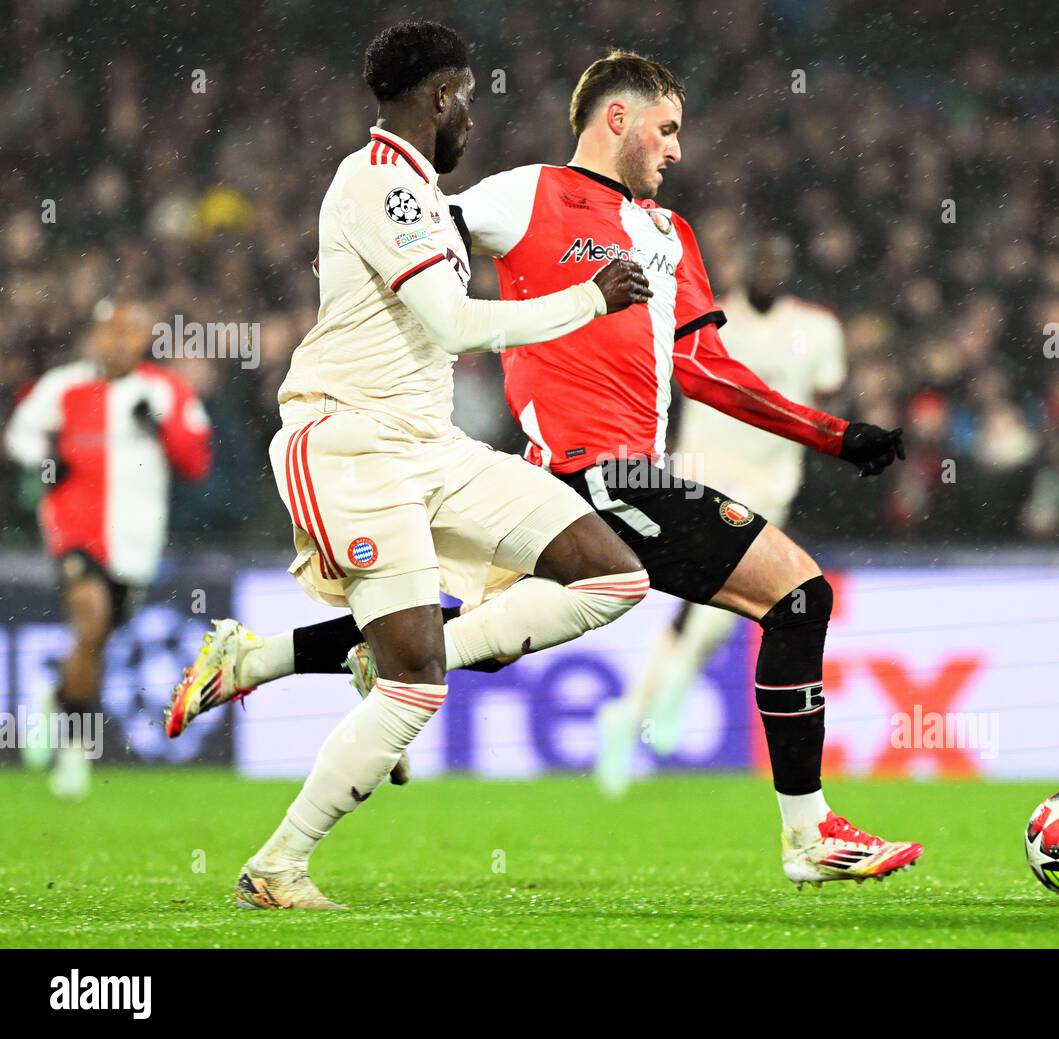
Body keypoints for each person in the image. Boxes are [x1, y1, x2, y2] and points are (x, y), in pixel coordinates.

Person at [173, 49, 920, 892]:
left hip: (593, 476)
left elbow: (706, 368)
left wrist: (831, 433)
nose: (676, 150)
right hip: (589, 471)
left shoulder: (673, 238)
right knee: (799, 594)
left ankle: (253, 662)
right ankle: (809, 833)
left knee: (436, 641)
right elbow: (419, 247)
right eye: (667, 130)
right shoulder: (526, 194)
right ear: (617, 120)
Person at [208, 22, 654, 910]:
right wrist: (587, 298)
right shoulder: (377, 181)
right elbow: (454, 325)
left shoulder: (422, 195)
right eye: (472, 101)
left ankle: (362, 656)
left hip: (431, 445)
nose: (476, 123)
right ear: (443, 95)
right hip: (352, 442)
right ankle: (278, 866)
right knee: (416, 687)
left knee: (614, 577)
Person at [594, 232, 848, 796]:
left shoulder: (818, 329)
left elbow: (828, 396)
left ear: (786, 268)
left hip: (772, 486)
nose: (764, 268)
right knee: (735, 599)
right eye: (757, 258)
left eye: (774, 259)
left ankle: (631, 714)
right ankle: (668, 692)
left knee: (709, 613)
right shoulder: (706, 319)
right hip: (705, 476)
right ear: (741, 265)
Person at [4, 297, 212, 798]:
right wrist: (50, 459)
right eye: (110, 333)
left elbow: (197, 463)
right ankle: (75, 753)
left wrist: (161, 429)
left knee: (95, 640)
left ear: (144, 341)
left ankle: (54, 697)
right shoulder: (62, 385)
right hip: (74, 528)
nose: (119, 343)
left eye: (130, 334)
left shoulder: (166, 390)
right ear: (94, 336)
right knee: (91, 617)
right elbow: (19, 435)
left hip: (137, 539)